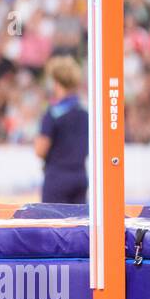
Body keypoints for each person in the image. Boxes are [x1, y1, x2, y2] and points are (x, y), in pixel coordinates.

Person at [35, 56, 90, 204]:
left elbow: (40, 150)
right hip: (80, 176)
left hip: (57, 177)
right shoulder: (84, 113)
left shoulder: (53, 113)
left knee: (52, 224)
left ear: (56, 82)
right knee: (78, 224)